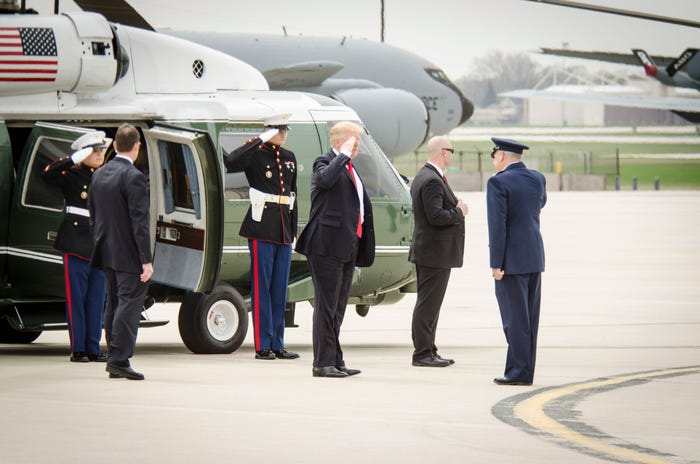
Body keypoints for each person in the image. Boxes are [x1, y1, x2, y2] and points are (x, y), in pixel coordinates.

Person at [295, 121, 375, 378]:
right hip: (326, 245)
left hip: (347, 245)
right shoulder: (325, 162)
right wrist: (342, 156)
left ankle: (335, 359)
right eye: (354, 141)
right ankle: (322, 363)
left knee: (338, 306)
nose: (358, 146)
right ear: (339, 141)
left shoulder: (350, 168)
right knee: (326, 306)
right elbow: (325, 180)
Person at [223, 114, 299, 361]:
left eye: (285, 130)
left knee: (279, 289)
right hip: (261, 227)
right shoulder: (256, 153)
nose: (283, 134)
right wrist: (259, 139)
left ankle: (278, 343)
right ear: (268, 130)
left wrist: (293, 229)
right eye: (278, 130)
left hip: (282, 230)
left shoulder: (289, 157)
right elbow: (232, 161)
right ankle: (262, 345)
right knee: (262, 287)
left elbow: (292, 196)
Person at [89, 123, 153, 381]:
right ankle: (119, 358)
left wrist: (100, 243)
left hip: (106, 249)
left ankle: (114, 354)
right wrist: (146, 260)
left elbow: (93, 216)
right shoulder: (134, 177)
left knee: (113, 303)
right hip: (128, 254)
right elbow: (140, 223)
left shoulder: (99, 174)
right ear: (137, 147)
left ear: (114, 145)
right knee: (129, 304)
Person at [41, 131, 110, 363]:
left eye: (101, 150)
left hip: (100, 244)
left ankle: (93, 347)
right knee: (77, 300)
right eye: (95, 150)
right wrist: (73, 159)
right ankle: (78, 349)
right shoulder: (71, 174)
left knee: (96, 300)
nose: (100, 154)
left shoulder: (105, 175)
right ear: (84, 153)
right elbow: (47, 174)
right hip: (76, 241)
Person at [486, 137, 546, 386]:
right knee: (529, 319)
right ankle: (522, 369)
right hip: (533, 256)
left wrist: (496, 262)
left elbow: (497, 226)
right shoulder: (538, 178)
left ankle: (518, 372)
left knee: (514, 319)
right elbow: (539, 205)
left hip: (511, 260)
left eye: (495, 155)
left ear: (501, 156)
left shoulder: (498, 183)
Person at [409, 136, 468, 367]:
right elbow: (436, 217)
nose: (452, 154)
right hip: (434, 253)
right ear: (444, 152)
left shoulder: (426, 176)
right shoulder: (432, 180)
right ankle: (422, 353)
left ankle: (429, 349)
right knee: (428, 305)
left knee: (430, 304)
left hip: (431, 252)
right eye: (452, 150)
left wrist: (452, 206)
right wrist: (459, 211)